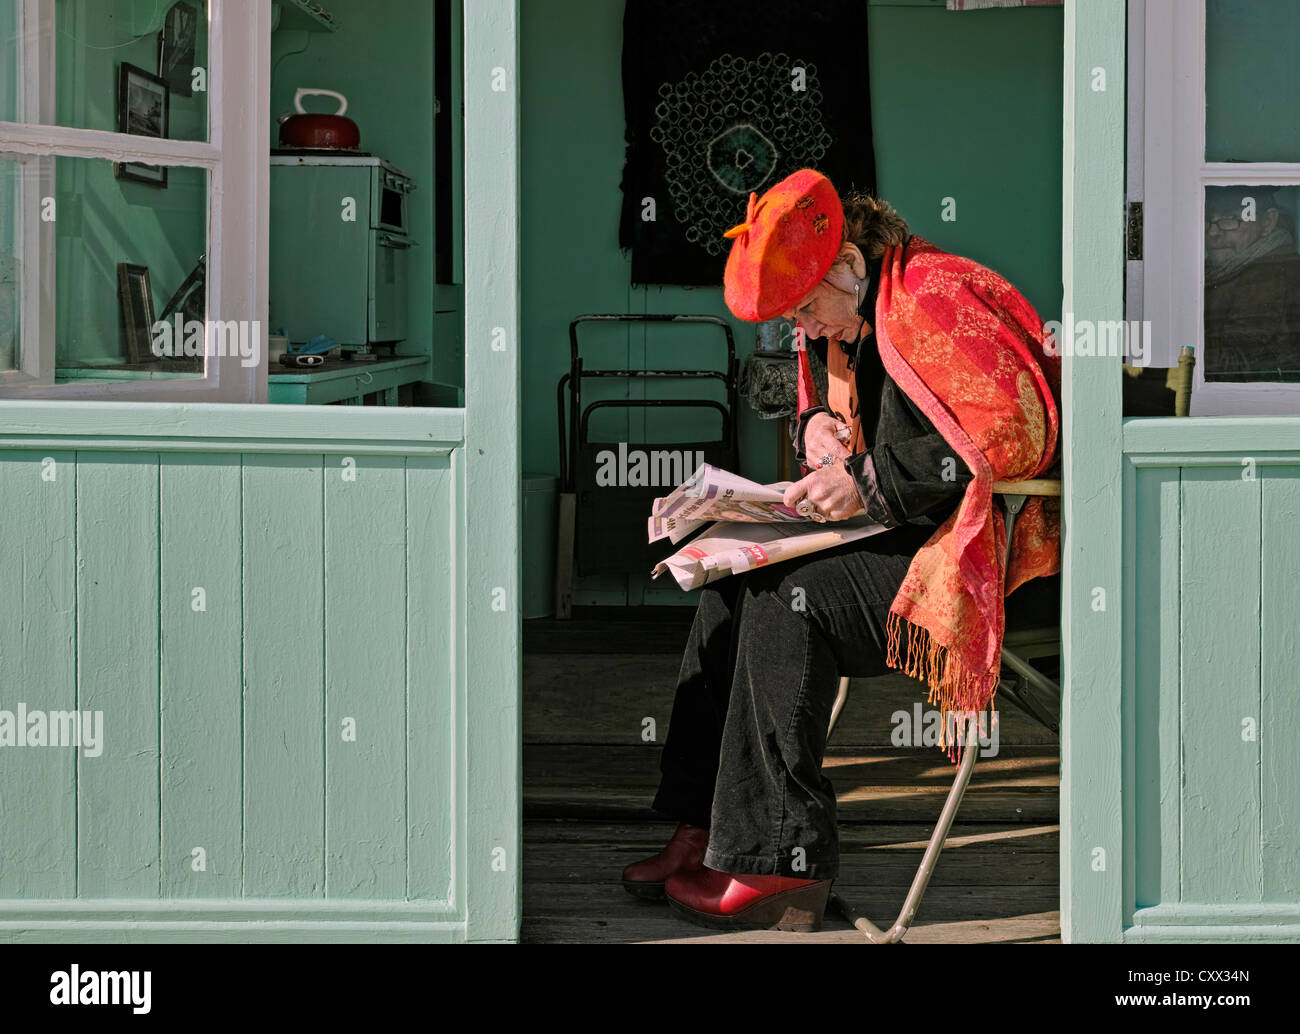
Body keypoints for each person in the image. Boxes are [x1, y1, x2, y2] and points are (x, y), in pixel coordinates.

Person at [621, 169, 1061, 932]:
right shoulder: (855, 308)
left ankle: (778, 863)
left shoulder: (932, 293)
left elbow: (1017, 436)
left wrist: (867, 478)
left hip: (983, 553)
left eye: (809, 309)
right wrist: (816, 429)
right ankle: (705, 829)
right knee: (727, 581)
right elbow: (844, 414)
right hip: (900, 534)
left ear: (850, 264)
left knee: (785, 601)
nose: (807, 329)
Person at [1203, 186, 1300, 382]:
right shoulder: (1227, 268)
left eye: (1230, 218)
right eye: (1207, 219)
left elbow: (1237, 368)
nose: (1212, 232)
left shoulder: (1270, 275)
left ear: (1267, 222)